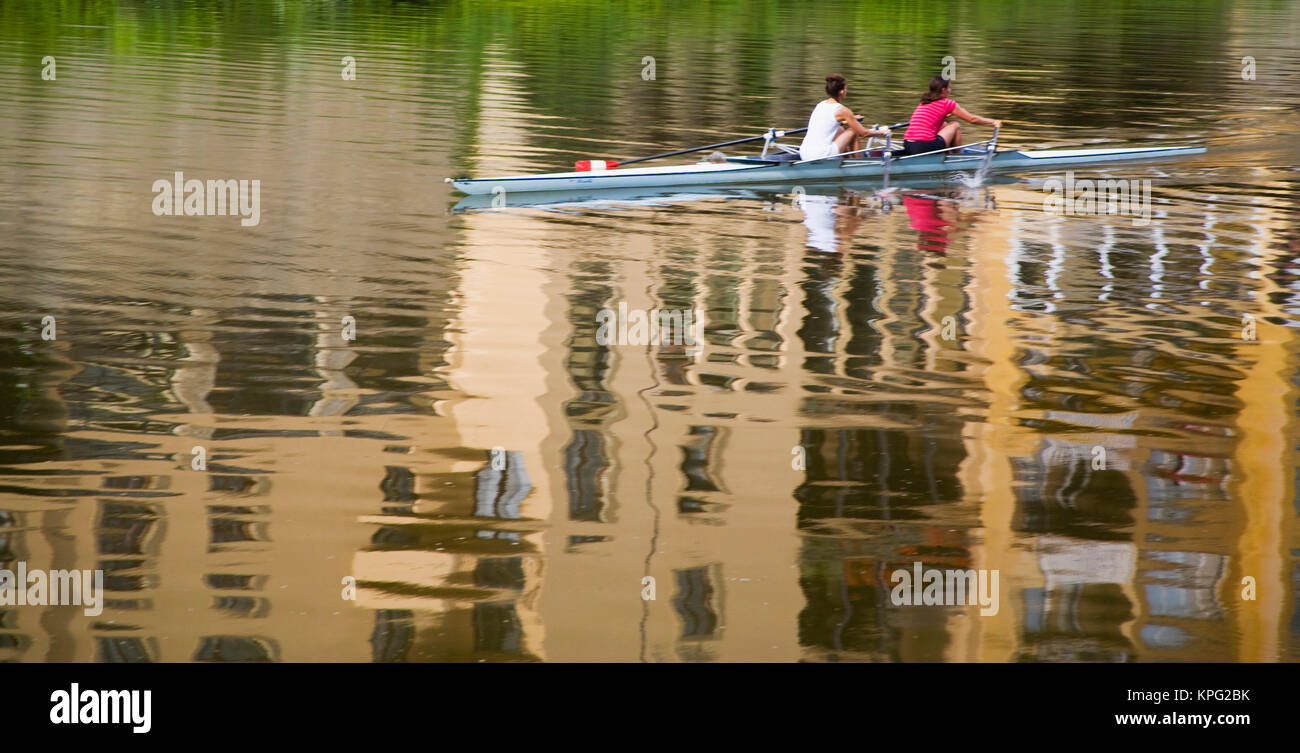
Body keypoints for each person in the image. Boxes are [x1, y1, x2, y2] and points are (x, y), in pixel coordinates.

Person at [799, 74, 892, 161]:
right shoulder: (843, 110)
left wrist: (851, 118)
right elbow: (864, 133)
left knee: (840, 129)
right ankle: (858, 164)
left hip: (804, 153)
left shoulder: (820, 105)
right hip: (820, 155)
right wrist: (882, 132)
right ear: (842, 91)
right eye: (846, 89)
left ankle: (846, 160)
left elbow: (828, 122)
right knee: (853, 131)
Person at [901, 76, 1001, 156]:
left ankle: (947, 153)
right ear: (943, 90)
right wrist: (992, 121)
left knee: (944, 125)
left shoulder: (924, 103)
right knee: (955, 125)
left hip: (908, 145)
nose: (950, 90)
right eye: (949, 87)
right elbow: (972, 119)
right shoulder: (946, 103)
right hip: (924, 146)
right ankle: (958, 157)